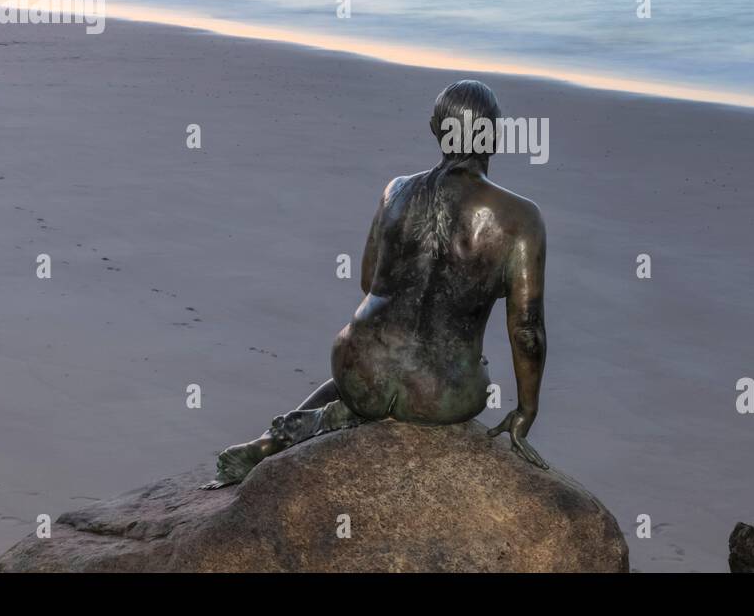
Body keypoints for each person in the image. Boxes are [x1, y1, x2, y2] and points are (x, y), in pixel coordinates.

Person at [203, 79, 548, 489]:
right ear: (494, 134)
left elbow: (369, 279)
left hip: (356, 362)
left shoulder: (395, 191)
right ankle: (352, 413)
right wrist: (526, 409)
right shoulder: (521, 219)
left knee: (365, 373)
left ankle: (275, 437)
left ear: (435, 129)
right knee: (469, 368)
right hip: (439, 395)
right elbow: (526, 331)